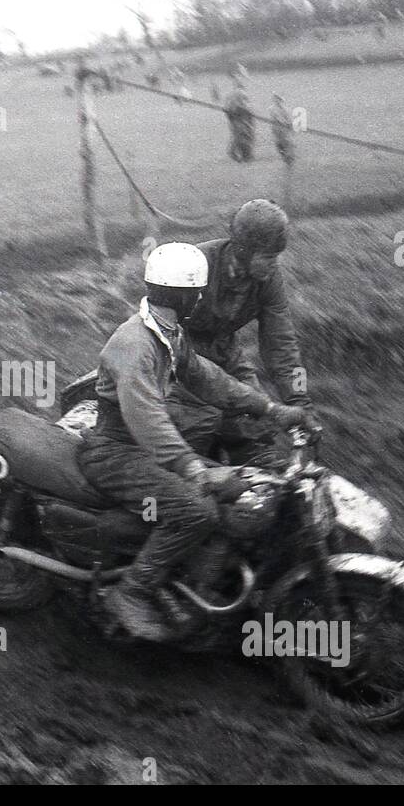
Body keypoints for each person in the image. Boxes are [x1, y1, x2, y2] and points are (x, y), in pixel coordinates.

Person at [77, 243, 318, 640]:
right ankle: (131, 590)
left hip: (138, 449)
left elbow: (210, 379)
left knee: (245, 489)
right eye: (197, 291)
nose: (202, 298)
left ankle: (189, 587)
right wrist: (197, 472)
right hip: (114, 452)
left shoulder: (168, 335)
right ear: (181, 295)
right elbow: (147, 421)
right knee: (196, 511)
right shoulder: (135, 345)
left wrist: (272, 410)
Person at [182, 199, 311, 465]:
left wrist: (300, 401)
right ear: (244, 250)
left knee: (257, 424)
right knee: (196, 427)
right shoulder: (196, 265)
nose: (274, 265)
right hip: (179, 356)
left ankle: (262, 484)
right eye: (268, 257)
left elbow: (282, 343)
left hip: (226, 352)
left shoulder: (268, 280)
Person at [223, 80, 254, 162]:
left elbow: (225, 108)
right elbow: (247, 107)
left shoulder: (229, 94)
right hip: (241, 116)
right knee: (245, 135)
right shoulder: (242, 93)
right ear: (242, 86)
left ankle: (235, 153)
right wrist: (250, 115)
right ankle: (245, 155)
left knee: (236, 134)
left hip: (232, 117)